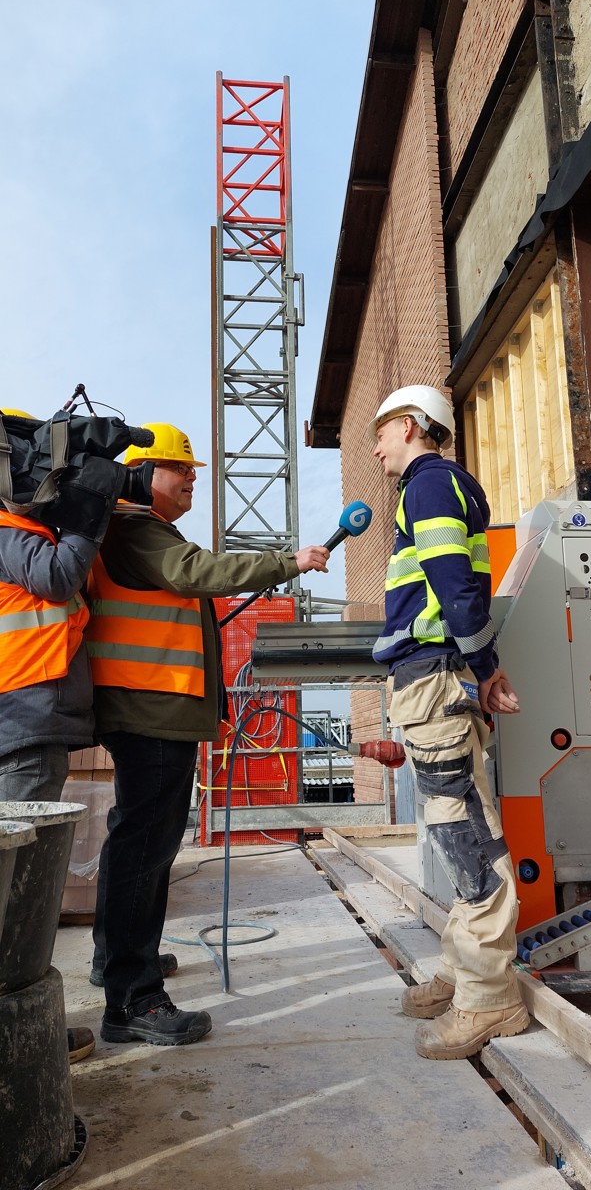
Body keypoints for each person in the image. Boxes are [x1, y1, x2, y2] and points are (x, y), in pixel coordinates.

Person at [85, 422, 330, 1048]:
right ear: (140, 473)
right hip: (153, 710)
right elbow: (199, 571)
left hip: (154, 708)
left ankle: (117, 962)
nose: (192, 478)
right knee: (146, 847)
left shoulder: (137, 531)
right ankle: (133, 1002)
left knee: (134, 840)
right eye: (180, 468)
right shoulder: (134, 529)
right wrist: (287, 560)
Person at [369, 385, 529, 1060]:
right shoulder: (445, 486)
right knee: (453, 832)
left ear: (410, 426)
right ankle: (465, 971)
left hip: (436, 676)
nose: (376, 446)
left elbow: (454, 585)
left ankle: (489, 1000)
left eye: (382, 433)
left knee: (467, 837)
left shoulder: (427, 485)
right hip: (435, 677)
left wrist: (484, 665)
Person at [0, 407, 97, 1064]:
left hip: (33, 725)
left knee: (23, 899)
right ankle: (20, 1041)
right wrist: (89, 507)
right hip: (22, 729)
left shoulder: (23, 529)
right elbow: (59, 575)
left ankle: (23, 1030)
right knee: (17, 902)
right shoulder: (6, 532)